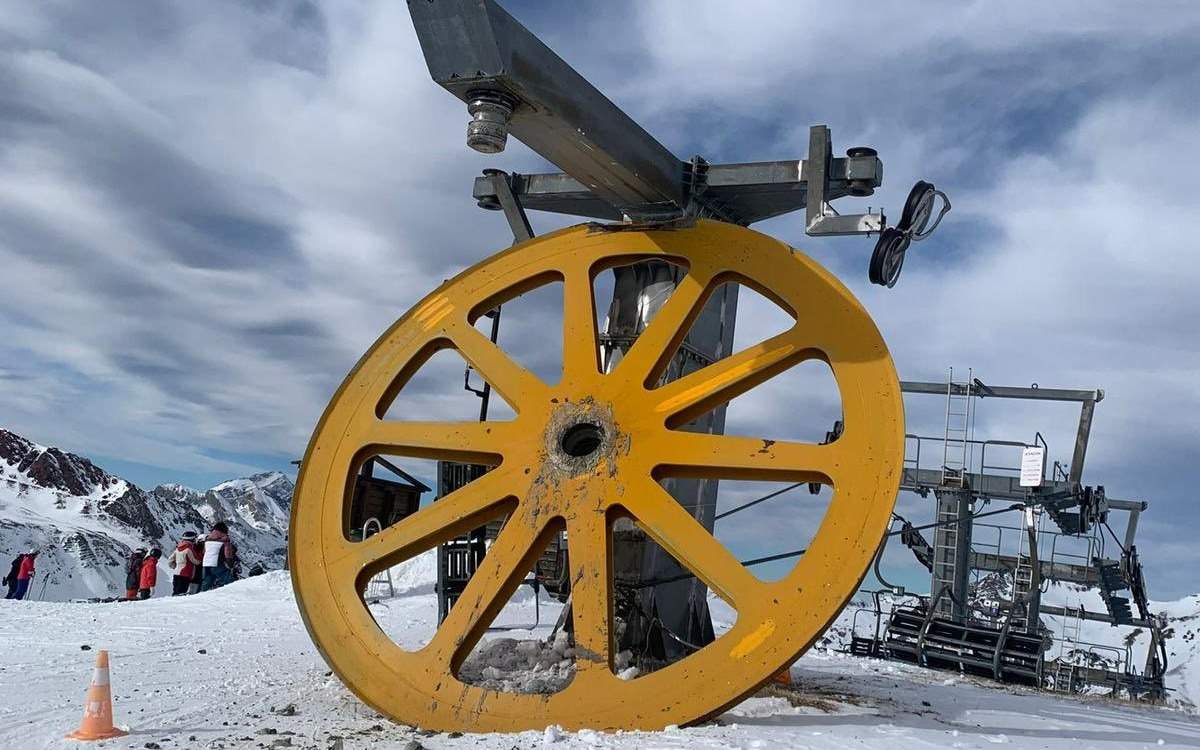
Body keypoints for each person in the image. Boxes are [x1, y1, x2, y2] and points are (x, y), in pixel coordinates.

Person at [167, 532, 201, 596]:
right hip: (185, 574)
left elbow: (170, 560)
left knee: (175, 592)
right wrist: (200, 561)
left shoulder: (178, 548)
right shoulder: (189, 548)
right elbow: (195, 561)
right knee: (181, 593)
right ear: (192, 539)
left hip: (176, 573)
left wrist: (175, 567)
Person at [201, 522, 231, 592]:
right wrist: (229, 562)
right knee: (228, 580)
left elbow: (204, 552)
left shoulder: (207, 539)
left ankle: (201, 598)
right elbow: (227, 552)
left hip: (206, 563)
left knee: (206, 583)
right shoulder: (225, 539)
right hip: (216, 563)